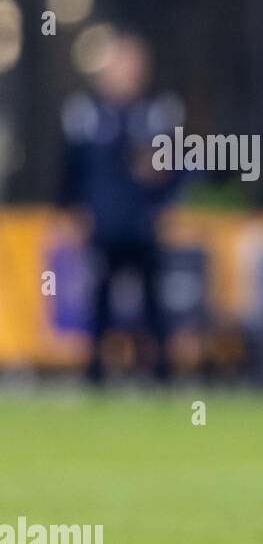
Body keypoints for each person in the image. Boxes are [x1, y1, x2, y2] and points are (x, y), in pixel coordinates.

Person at [61, 32, 183, 384]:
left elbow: (175, 170)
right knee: (98, 300)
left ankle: (162, 376)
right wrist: (72, 210)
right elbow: (71, 169)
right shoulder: (85, 115)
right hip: (103, 223)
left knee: (153, 301)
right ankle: (94, 376)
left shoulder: (157, 114)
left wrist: (165, 196)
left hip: (143, 223)